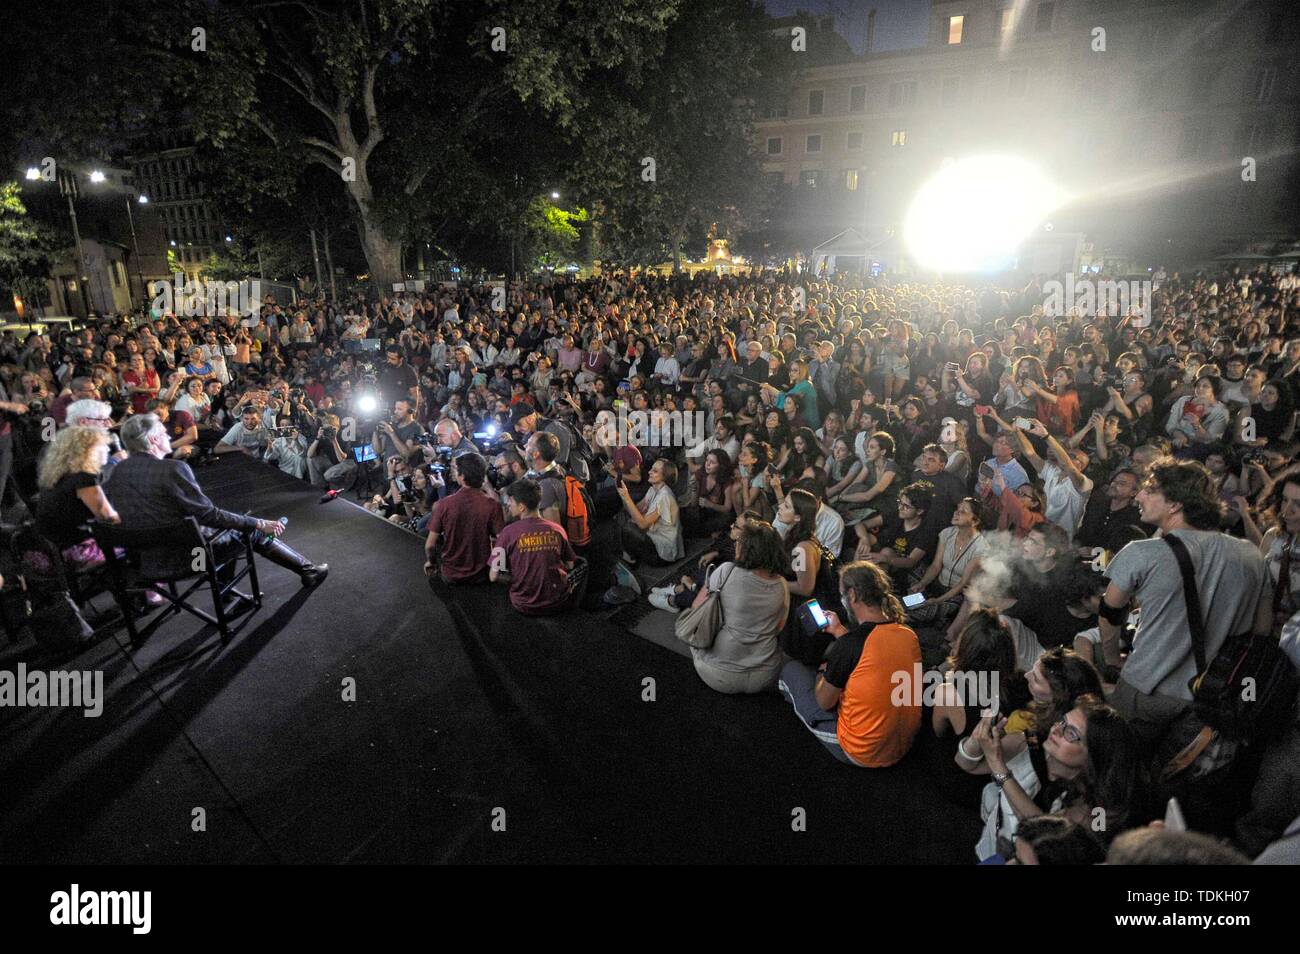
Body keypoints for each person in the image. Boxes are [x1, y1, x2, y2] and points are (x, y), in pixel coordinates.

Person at [1099, 459, 1272, 749]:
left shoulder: (1142, 553)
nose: (1139, 496)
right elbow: (1262, 629)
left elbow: (1108, 615)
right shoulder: (1251, 555)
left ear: (1176, 504)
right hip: (1212, 697)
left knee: (1119, 761)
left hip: (1146, 689)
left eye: (1149, 490)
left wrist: (1113, 658)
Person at [105, 414, 327, 586]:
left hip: (145, 563)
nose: (169, 437)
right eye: (164, 433)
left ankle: (226, 588)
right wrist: (259, 523)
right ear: (153, 439)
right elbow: (208, 515)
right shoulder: (172, 469)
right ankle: (308, 571)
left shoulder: (115, 472)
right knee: (248, 529)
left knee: (229, 528)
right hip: (193, 560)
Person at [777, 560, 923, 767]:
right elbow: (869, 649)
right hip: (903, 745)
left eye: (842, 594)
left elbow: (824, 702)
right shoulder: (908, 635)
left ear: (852, 595)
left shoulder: (849, 646)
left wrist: (823, 671)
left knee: (792, 670)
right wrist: (838, 632)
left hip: (861, 750)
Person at [687, 519, 790, 694]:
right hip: (765, 676)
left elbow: (698, 608)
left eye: (738, 542)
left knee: (693, 632)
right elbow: (779, 627)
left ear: (744, 548)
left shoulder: (727, 571)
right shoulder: (782, 585)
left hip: (717, 674)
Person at [33, 427, 121, 569]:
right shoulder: (83, 478)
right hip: (74, 552)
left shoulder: (58, 475)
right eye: (102, 445)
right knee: (146, 537)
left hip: (49, 550)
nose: (107, 449)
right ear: (85, 451)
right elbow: (108, 518)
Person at [490, 478, 581, 615]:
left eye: (511, 501)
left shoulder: (507, 533)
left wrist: (518, 577)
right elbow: (570, 565)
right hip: (557, 602)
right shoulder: (557, 529)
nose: (508, 504)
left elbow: (493, 576)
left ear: (521, 507)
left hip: (523, 605)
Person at [423, 453, 504, 584]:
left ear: (462, 476)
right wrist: (497, 571)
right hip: (481, 576)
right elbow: (501, 543)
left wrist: (431, 562)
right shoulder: (492, 505)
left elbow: (430, 546)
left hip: (450, 574)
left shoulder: (444, 504)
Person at [615, 458, 684, 567]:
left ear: (664, 476)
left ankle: (630, 559)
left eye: (655, 471)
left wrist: (627, 497)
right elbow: (633, 510)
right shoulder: (653, 490)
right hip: (652, 538)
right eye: (651, 469)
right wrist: (623, 494)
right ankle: (628, 555)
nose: (649, 472)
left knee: (629, 527)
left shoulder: (665, 497)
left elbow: (642, 524)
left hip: (663, 555)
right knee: (622, 516)